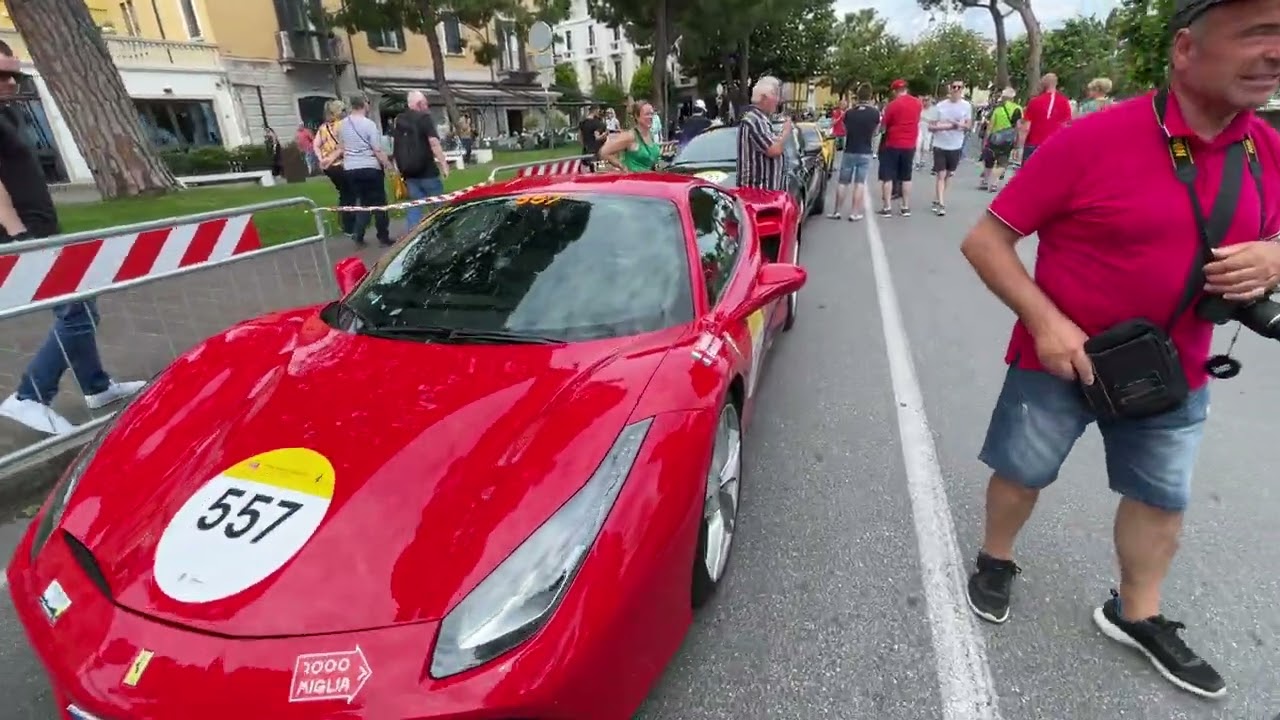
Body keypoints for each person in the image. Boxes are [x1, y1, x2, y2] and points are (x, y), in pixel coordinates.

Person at [959, 0, 1280, 699]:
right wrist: (1047, 323)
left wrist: (1273, 257)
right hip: (1060, 360)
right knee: (1022, 473)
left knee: (1160, 497)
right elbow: (985, 241)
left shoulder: (1269, 149)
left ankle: (1137, 613)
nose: (1276, 53)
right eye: (1259, 33)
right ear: (1187, 50)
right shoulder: (1091, 139)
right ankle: (997, 558)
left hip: (1177, 371)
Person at [0, 40, 144, 435]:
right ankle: (29, 396)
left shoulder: (8, 114)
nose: (10, 82)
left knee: (80, 308)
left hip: (41, 228)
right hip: (23, 234)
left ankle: (96, 387)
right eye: (1, 75)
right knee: (77, 311)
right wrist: (19, 234)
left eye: (14, 73)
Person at [339, 95, 395, 247]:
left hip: (351, 168)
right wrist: (388, 165)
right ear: (364, 104)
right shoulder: (369, 124)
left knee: (363, 202)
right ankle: (383, 236)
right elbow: (376, 149)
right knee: (379, 203)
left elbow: (342, 147)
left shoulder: (343, 124)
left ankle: (358, 234)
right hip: (369, 167)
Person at [393, 90, 451, 232]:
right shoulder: (424, 118)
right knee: (437, 205)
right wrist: (444, 164)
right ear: (419, 104)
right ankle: (444, 232)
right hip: (427, 170)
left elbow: (397, 145)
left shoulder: (399, 121)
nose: (427, 106)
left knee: (415, 206)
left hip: (409, 172)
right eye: (425, 103)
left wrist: (397, 167)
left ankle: (411, 235)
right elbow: (434, 143)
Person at [827, 85, 879, 222]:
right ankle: (854, 213)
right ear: (870, 96)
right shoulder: (874, 113)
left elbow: (845, 129)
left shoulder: (849, 113)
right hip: (865, 151)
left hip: (850, 150)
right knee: (859, 183)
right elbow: (876, 131)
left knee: (843, 182)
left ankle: (837, 211)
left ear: (858, 96)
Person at [734, 76, 792, 191]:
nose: (778, 100)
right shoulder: (754, 120)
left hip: (766, 194)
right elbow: (773, 150)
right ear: (764, 98)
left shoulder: (761, 120)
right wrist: (785, 132)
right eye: (775, 95)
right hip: (759, 194)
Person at [877, 79, 922, 217]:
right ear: (906, 89)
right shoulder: (917, 104)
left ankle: (887, 208)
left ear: (895, 91)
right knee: (906, 177)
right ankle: (905, 207)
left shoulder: (892, 105)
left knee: (888, 177)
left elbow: (884, 126)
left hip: (893, 144)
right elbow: (917, 120)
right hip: (909, 145)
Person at [929, 81, 972, 216]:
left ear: (962, 90)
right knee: (940, 174)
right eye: (954, 87)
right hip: (940, 145)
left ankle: (938, 198)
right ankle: (941, 204)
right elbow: (931, 127)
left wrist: (959, 125)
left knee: (948, 175)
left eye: (959, 87)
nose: (956, 89)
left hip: (955, 145)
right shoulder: (940, 106)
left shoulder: (966, 106)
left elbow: (969, 126)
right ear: (950, 89)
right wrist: (947, 127)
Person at [315, 99, 354, 238]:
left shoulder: (323, 128)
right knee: (349, 194)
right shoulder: (341, 125)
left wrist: (322, 159)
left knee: (343, 193)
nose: (345, 112)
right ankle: (349, 226)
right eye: (343, 110)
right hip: (340, 164)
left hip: (329, 167)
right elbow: (342, 147)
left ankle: (345, 223)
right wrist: (331, 158)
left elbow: (316, 145)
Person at [1018, 72, 1072, 164]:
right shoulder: (1064, 102)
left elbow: (1026, 128)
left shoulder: (1034, 102)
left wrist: (1019, 147)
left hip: (1033, 145)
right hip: (1054, 146)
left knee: (1029, 175)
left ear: (1043, 84)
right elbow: (1066, 126)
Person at [978, 88, 1022, 193]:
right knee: (1003, 163)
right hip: (1008, 140)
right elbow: (1018, 127)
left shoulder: (997, 109)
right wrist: (1017, 141)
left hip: (994, 138)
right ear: (1013, 98)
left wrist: (985, 140)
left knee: (989, 160)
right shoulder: (1018, 109)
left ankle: (985, 180)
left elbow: (990, 126)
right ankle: (994, 183)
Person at [598, 101, 662, 172]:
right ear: (637, 116)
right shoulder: (630, 136)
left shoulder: (650, 135)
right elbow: (604, 152)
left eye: (652, 114)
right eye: (647, 114)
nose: (650, 117)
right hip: (634, 180)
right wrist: (622, 167)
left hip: (649, 179)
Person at [578, 105, 607, 170]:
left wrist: (585, 145)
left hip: (586, 151)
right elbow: (597, 137)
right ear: (596, 110)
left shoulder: (583, 123)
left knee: (587, 172)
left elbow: (579, 137)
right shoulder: (598, 123)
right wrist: (604, 135)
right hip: (598, 152)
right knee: (601, 171)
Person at [916, 96, 937, 171]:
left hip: (928, 130)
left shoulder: (933, 111)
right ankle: (917, 162)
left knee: (926, 148)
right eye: (924, 100)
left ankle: (923, 161)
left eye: (927, 100)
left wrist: (926, 120)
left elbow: (934, 121)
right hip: (920, 129)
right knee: (918, 146)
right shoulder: (920, 109)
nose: (925, 102)